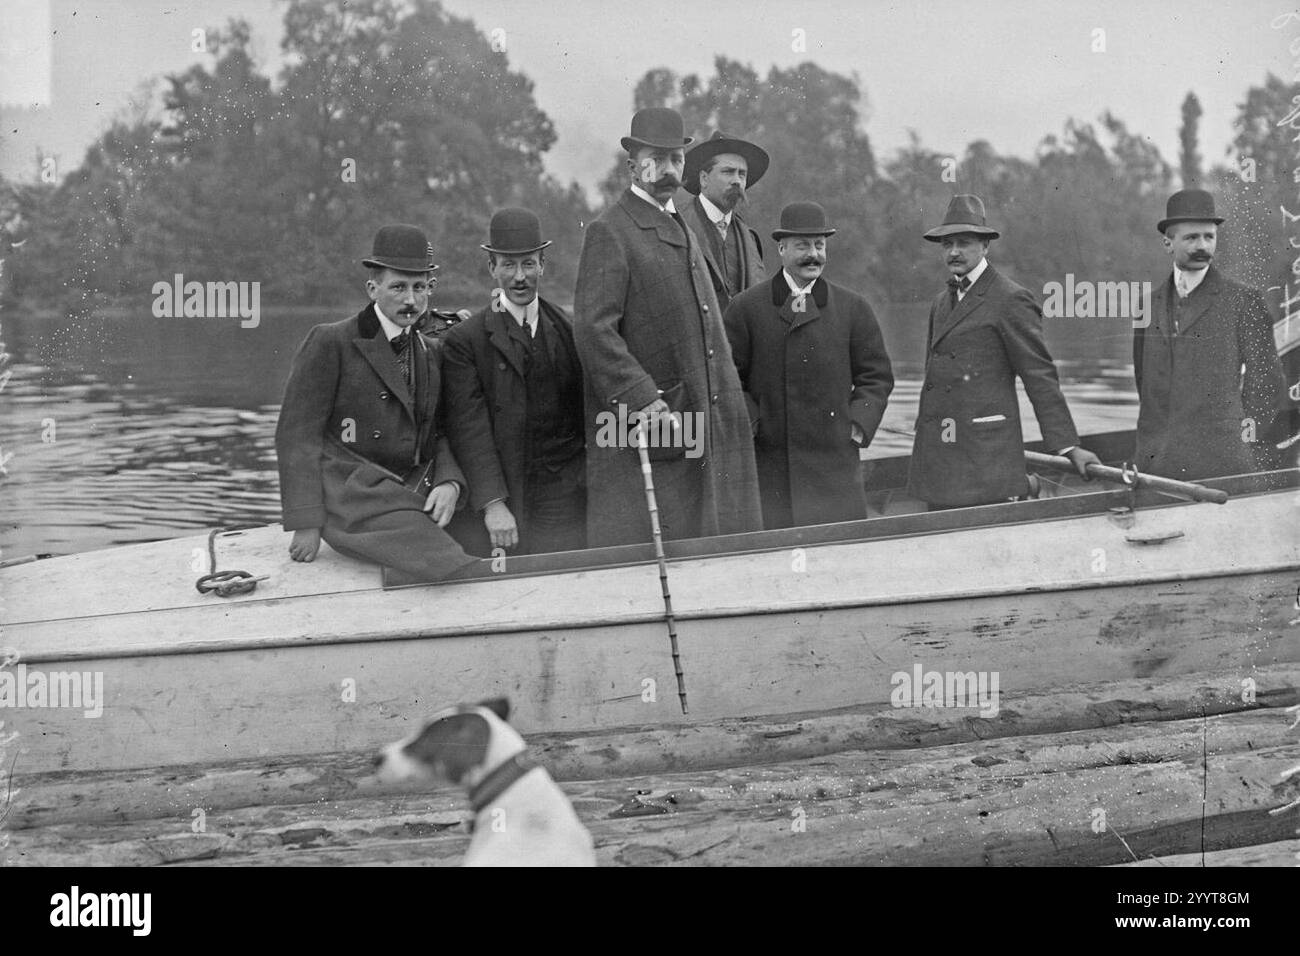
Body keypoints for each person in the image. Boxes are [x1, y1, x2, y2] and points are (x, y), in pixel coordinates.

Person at [574, 107, 762, 546]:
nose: (667, 169)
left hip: (713, 413)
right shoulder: (611, 231)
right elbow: (594, 330)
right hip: (662, 417)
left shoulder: (683, 227)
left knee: (722, 538)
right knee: (670, 535)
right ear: (633, 166)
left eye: (676, 159)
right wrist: (640, 398)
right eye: (655, 159)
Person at [274, 224, 475, 580]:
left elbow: (438, 432)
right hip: (350, 495)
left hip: (408, 486)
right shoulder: (331, 341)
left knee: (479, 530)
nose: (410, 300)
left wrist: (449, 482)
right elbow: (297, 436)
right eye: (398, 287)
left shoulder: (430, 352)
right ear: (373, 289)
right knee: (441, 557)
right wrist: (306, 522)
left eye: (420, 287)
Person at [908, 195, 1101, 509]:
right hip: (939, 458)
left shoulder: (1010, 299)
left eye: (964, 242)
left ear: (985, 246)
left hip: (985, 459)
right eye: (947, 244)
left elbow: (1040, 377)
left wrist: (1067, 446)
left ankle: (1027, 486)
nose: (954, 252)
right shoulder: (941, 302)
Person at [724, 201, 894, 528]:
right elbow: (728, 378)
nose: (812, 254)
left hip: (835, 465)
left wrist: (857, 425)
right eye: (802, 245)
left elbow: (877, 376)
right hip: (771, 463)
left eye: (819, 245)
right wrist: (755, 424)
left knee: (837, 556)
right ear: (781, 249)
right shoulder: (746, 309)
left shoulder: (853, 308)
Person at [441, 208, 587, 556]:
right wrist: (492, 504)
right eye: (508, 265)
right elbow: (468, 429)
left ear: (542, 265)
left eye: (528, 264)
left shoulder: (568, 330)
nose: (519, 277)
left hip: (563, 497)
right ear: (492, 267)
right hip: (504, 497)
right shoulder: (466, 341)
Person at [1133, 188, 1291, 480]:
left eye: (1209, 236)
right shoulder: (1147, 305)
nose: (1202, 246)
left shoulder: (1243, 301)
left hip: (1223, 464)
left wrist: (1243, 441)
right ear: (1168, 243)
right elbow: (1145, 384)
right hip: (1155, 464)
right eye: (1191, 238)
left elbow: (1267, 383)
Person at [679, 130, 769, 310]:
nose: (737, 181)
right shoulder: (677, 227)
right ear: (704, 179)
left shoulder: (750, 239)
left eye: (742, 174)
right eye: (728, 172)